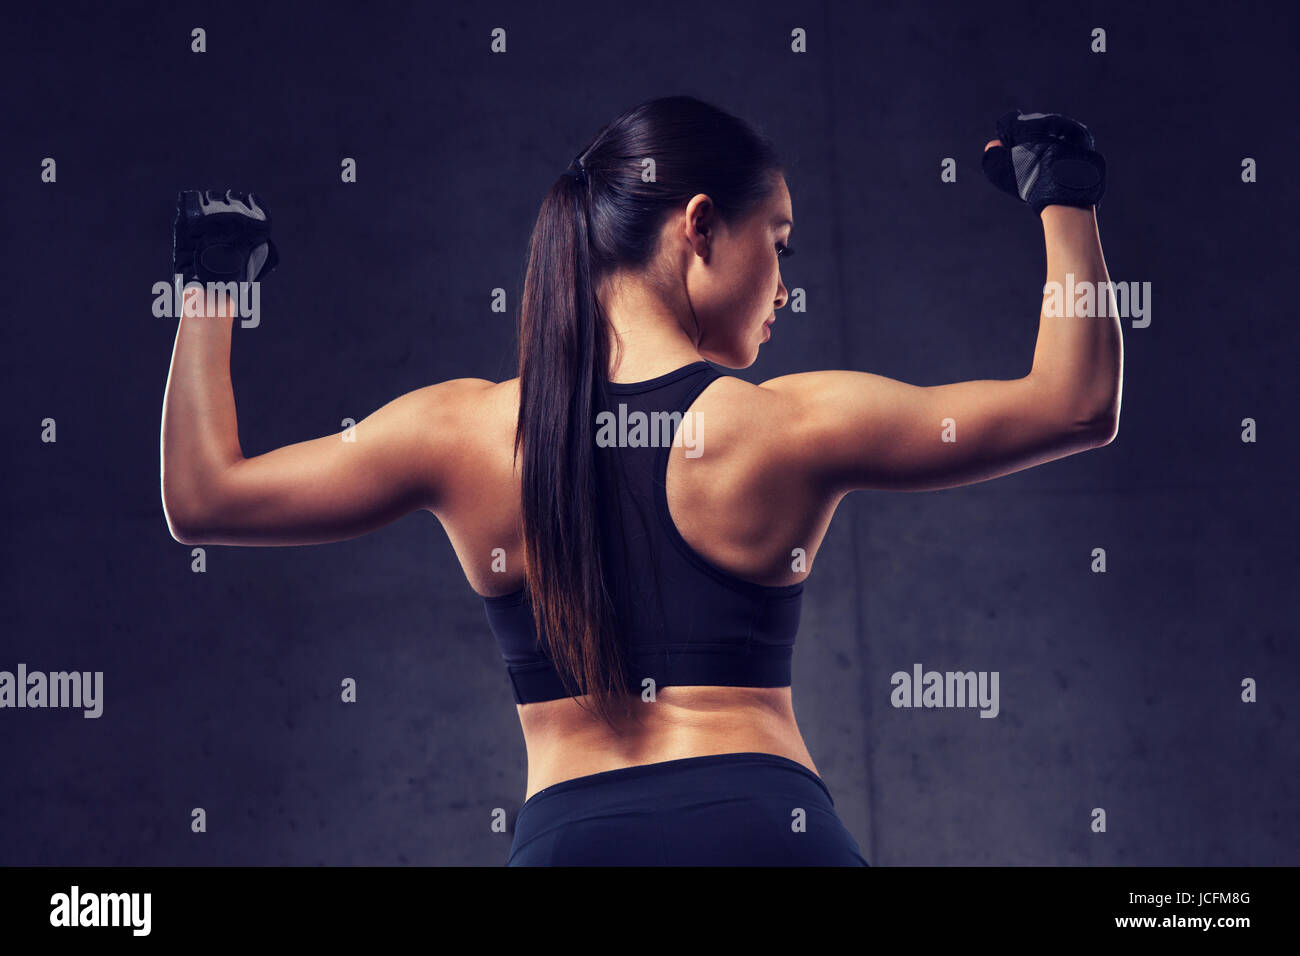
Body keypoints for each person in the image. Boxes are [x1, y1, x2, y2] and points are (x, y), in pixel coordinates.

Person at [160, 96, 1121, 865]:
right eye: (777, 245)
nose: (784, 285)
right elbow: (1075, 403)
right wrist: (1063, 196)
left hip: (571, 840)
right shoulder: (782, 423)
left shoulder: (462, 430)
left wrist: (212, 286)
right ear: (700, 226)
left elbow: (203, 497)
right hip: (764, 827)